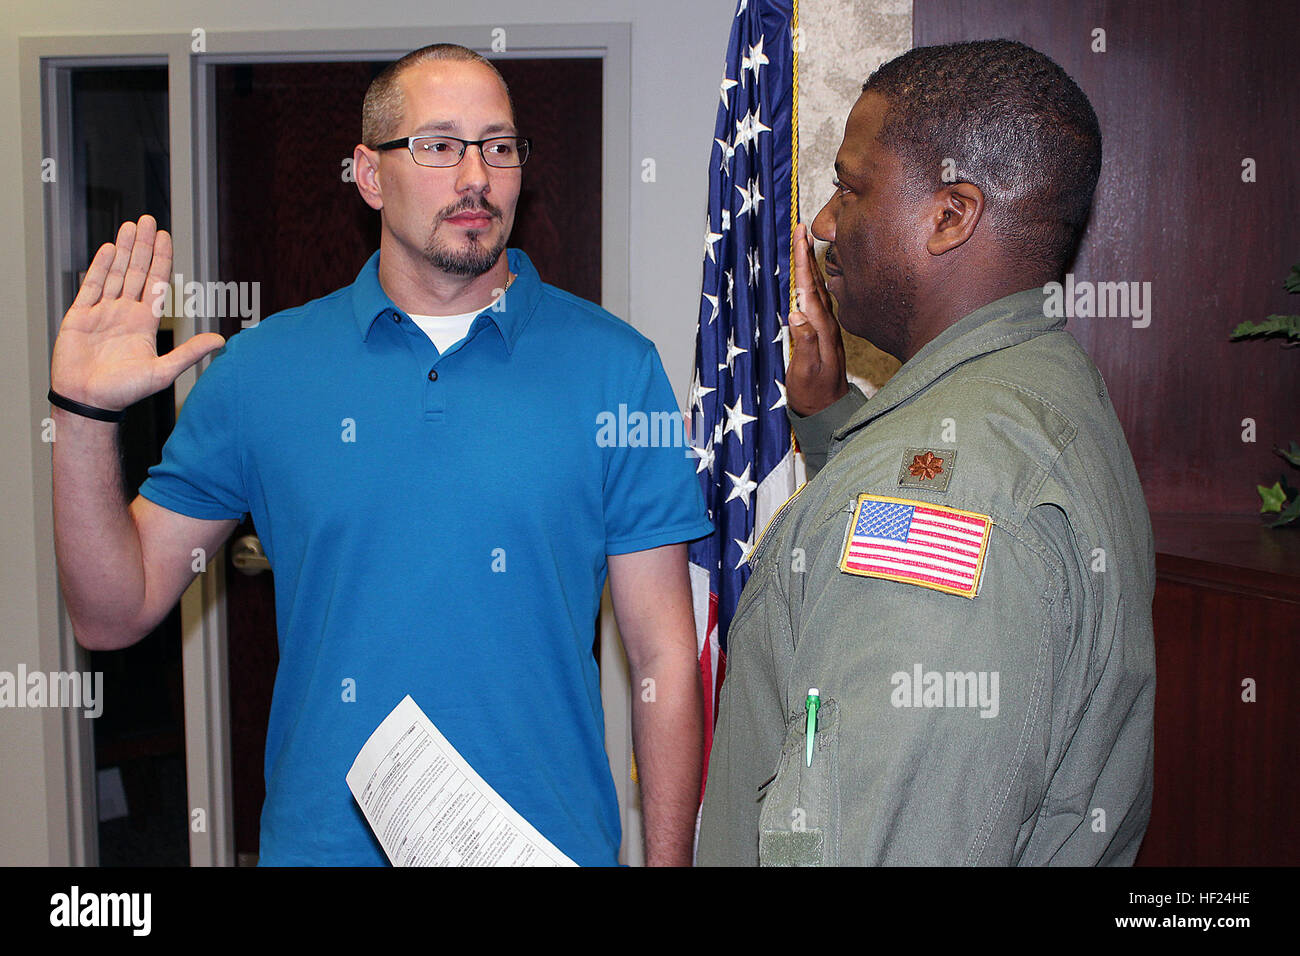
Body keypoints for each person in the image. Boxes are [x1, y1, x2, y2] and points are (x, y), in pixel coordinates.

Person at [49, 43, 711, 866]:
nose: (477, 175)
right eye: (438, 146)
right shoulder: (263, 372)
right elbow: (110, 614)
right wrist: (81, 416)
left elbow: (663, 658)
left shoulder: (617, 369)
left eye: (499, 147)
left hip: (549, 846)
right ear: (368, 175)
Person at [697, 39, 1155, 865]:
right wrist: (830, 415)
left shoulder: (949, 496)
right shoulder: (1040, 388)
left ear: (952, 215)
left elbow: (881, 840)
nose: (826, 223)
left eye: (850, 186)